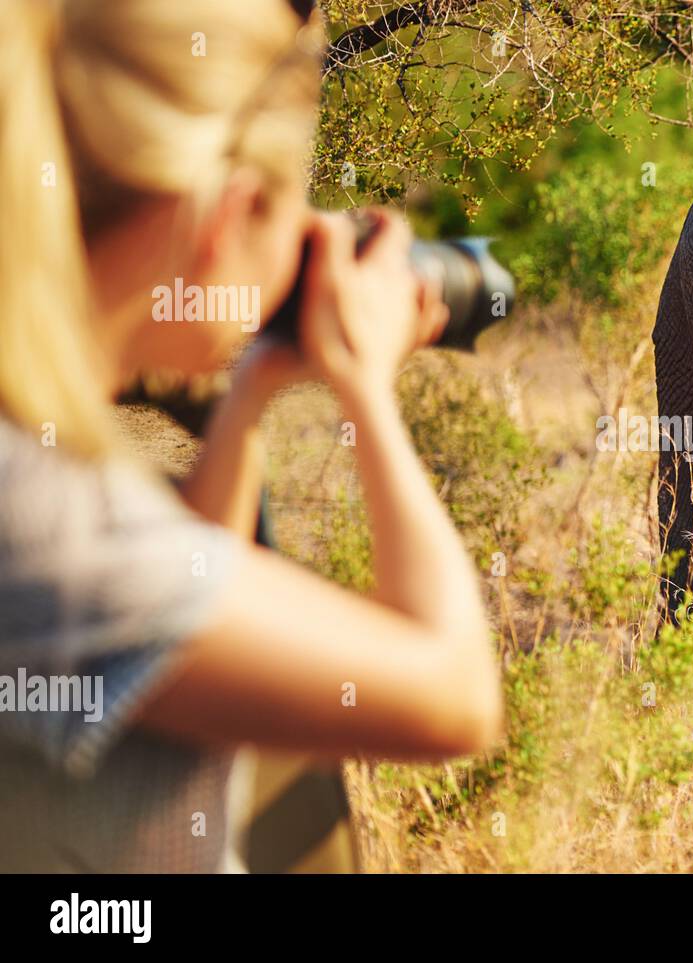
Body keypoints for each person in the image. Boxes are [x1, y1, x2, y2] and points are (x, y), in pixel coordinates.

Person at [0, 0, 503, 871]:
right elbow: (454, 692)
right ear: (225, 218)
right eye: (294, 207)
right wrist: (365, 384)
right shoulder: (39, 516)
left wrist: (248, 396)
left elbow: (181, 590)